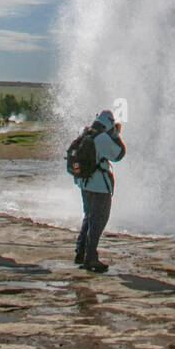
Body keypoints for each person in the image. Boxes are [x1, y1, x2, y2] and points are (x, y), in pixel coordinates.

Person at [71, 110, 125, 273]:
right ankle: (91, 258)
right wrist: (116, 135)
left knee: (88, 217)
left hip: (84, 184)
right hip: (99, 187)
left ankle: (80, 253)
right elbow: (119, 154)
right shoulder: (103, 138)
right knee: (98, 220)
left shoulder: (85, 132)